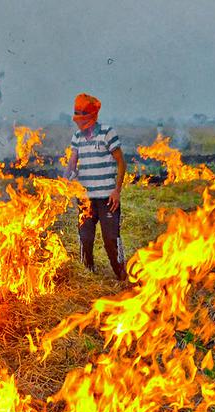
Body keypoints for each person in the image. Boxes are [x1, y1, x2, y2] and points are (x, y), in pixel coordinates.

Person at [63, 93, 127, 280]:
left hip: (108, 199)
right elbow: (72, 164)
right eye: (78, 120)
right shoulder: (77, 138)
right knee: (86, 239)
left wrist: (117, 191)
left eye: (83, 119)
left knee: (111, 240)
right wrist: (66, 179)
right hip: (85, 199)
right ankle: (88, 275)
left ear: (92, 118)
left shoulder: (108, 133)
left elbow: (121, 163)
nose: (79, 124)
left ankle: (122, 276)